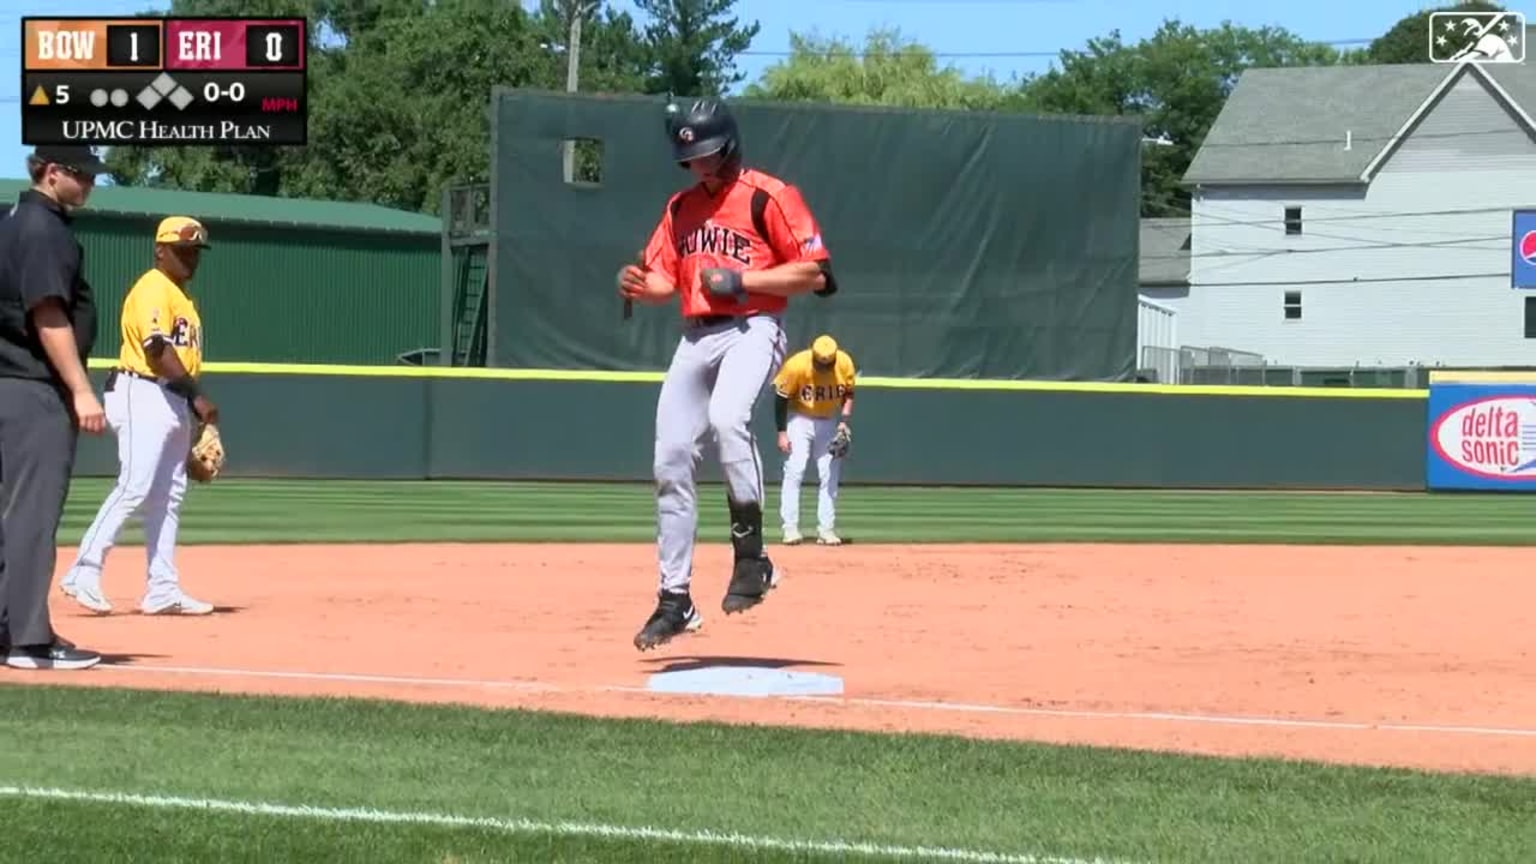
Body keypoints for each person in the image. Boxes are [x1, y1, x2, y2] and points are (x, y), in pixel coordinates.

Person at [618, 98, 838, 652]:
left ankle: (752, 559)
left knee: (727, 418)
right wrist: (643, 287)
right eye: (690, 158)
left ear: (730, 145)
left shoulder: (769, 196)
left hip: (754, 326)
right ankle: (675, 599)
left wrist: (743, 282)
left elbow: (816, 273)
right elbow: (666, 280)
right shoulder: (679, 209)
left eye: (707, 154)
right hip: (696, 334)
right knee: (669, 457)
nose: (698, 166)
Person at [60, 216, 217, 617]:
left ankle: (162, 588)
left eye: (195, 252)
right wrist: (197, 397)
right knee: (135, 484)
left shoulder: (184, 299)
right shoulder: (152, 287)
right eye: (182, 251)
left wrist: (188, 402)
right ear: (160, 250)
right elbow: (155, 350)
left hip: (171, 398)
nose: (190, 259)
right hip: (142, 389)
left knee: (169, 494)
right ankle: (83, 571)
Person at [0, 145, 109, 671]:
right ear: (52, 172)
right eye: (83, 174)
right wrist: (81, 388)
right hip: (31, 386)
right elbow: (47, 313)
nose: (90, 183)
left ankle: (7, 631)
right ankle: (28, 640)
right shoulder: (44, 230)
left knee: (9, 517)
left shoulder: (11, 220)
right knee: (31, 517)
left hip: (8, 383)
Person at [772, 334, 855, 546]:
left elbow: (848, 393)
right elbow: (780, 398)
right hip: (800, 420)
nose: (825, 368)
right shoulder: (797, 365)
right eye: (821, 364)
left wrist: (844, 421)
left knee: (829, 473)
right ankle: (790, 529)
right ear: (814, 357)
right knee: (795, 470)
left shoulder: (844, 363)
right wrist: (782, 432)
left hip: (828, 421)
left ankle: (826, 529)